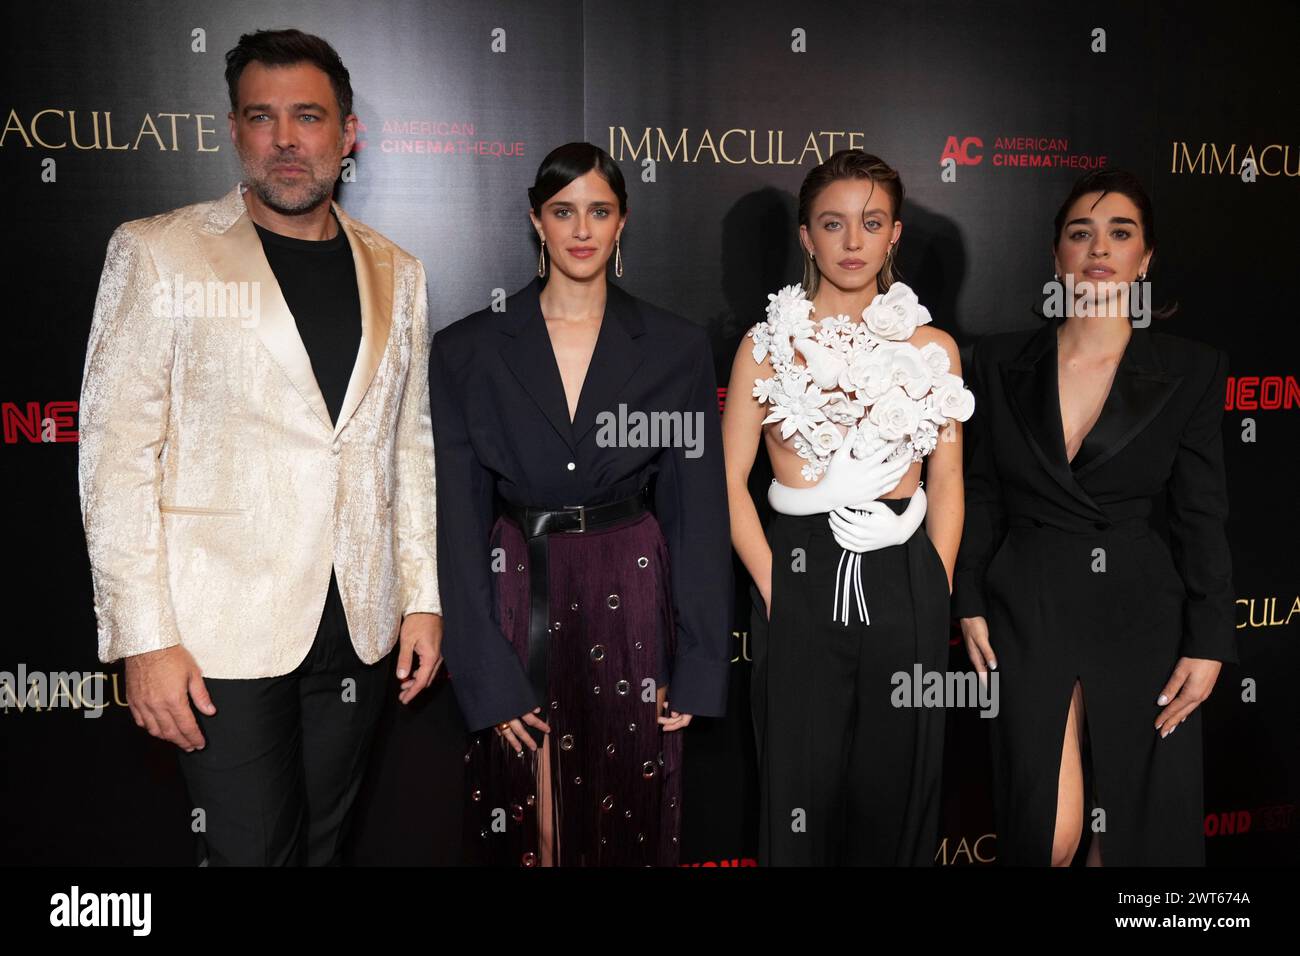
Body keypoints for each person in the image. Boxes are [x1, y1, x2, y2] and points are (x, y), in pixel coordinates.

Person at [77, 29, 443, 866]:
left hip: (356, 622)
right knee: (250, 856)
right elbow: (115, 455)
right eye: (262, 117)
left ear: (347, 134)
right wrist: (143, 636)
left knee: (321, 848)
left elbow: (407, 448)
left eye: (308, 117)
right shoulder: (157, 250)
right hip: (216, 634)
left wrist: (421, 596)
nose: (286, 140)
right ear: (234, 130)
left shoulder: (400, 271)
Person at [431, 142, 731, 866]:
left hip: (631, 591)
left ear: (623, 221)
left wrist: (698, 659)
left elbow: (697, 514)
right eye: (564, 212)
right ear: (537, 220)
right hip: (517, 593)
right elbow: (458, 521)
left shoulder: (675, 347)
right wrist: (483, 670)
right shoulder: (468, 349)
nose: (582, 229)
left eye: (599, 211)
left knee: (624, 808)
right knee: (531, 815)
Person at [954, 169, 1236, 866]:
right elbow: (981, 492)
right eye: (1081, 233)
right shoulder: (995, 360)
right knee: (1044, 833)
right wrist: (968, 599)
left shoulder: (1191, 369)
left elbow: (1201, 515)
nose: (1099, 248)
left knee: (1132, 836)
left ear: (1145, 259)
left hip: (1139, 612)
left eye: (1120, 233)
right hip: (1028, 604)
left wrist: (1210, 642)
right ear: (1058, 257)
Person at [723, 149, 970, 865]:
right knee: (798, 797)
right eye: (834, 224)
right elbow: (725, 480)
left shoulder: (935, 350)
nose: (853, 242)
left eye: (872, 222)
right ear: (806, 236)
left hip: (907, 580)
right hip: (797, 575)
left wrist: (936, 581)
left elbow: (948, 480)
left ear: (894, 234)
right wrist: (775, 581)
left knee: (898, 798)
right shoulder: (763, 348)